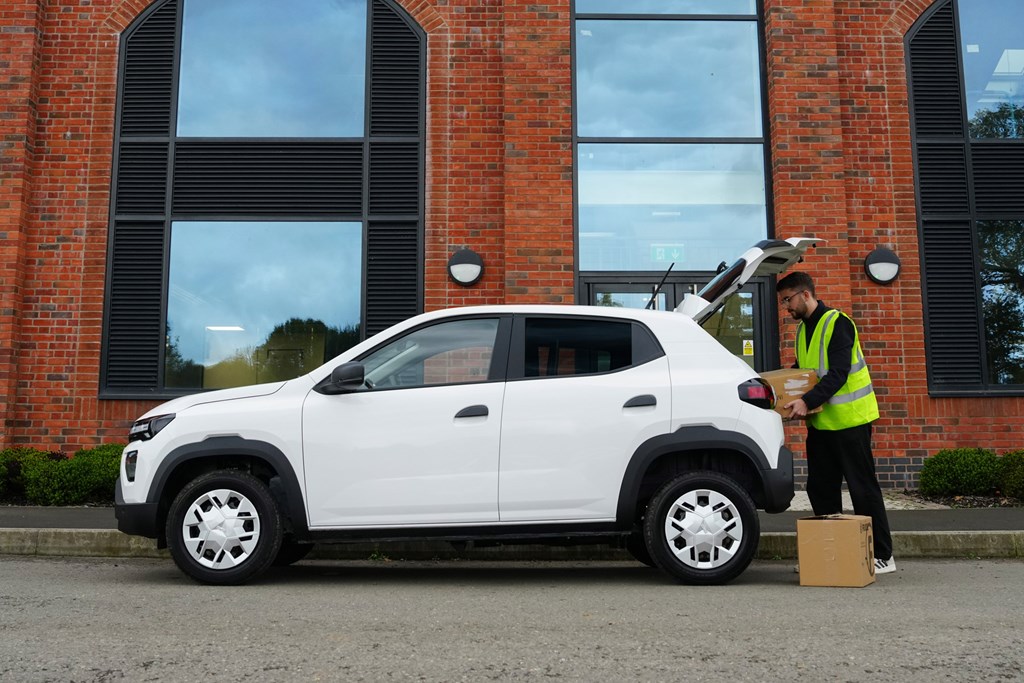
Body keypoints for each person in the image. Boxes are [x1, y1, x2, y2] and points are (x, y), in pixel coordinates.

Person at [776, 271, 895, 575]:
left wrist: (806, 401)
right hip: (821, 425)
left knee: (862, 489)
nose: (785, 307)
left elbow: (838, 373)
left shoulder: (837, 323)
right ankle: (829, 551)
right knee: (820, 489)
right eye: (783, 302)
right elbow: (805, 371)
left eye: (788, 300)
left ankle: (882, 554)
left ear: (805, 294)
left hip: (851, 421)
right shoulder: (803, 330)